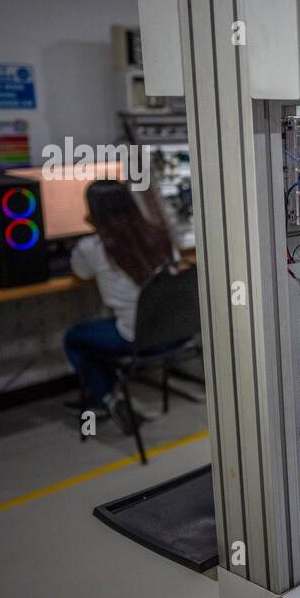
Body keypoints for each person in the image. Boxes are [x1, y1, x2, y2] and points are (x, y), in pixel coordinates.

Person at [65, 179, 177, 433]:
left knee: (75, 338)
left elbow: (80, 273)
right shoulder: (159, 235)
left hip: (134, 339)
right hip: (173, 335)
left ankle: (103, 398)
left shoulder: (93, 246)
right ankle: (108, 392)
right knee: (98, 335)